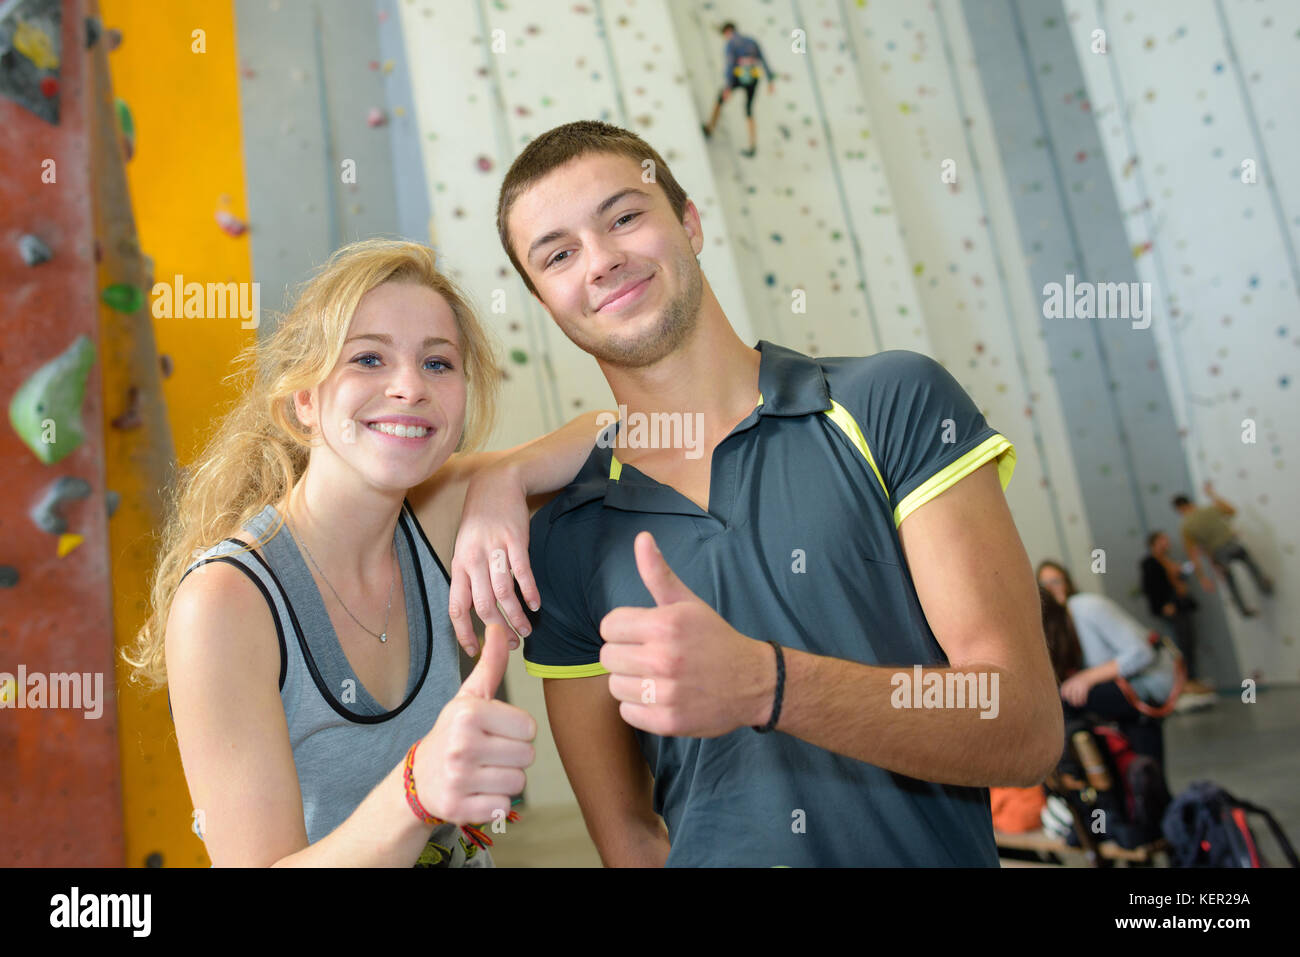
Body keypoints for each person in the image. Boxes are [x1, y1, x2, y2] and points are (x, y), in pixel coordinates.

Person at [494, 120, 1062, 866]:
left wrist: (768, 683)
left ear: (689, 222)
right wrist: (493, 476)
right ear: (545, 302)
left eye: (624, 216)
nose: (600, 261)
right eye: (559, 254)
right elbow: (629, 840)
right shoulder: (565, 535)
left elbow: (1020, 723)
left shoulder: (889, 403)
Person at [125, 239, 606, 867]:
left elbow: (617, 429)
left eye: (438, 363)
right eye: (369, 358)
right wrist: (417, 790)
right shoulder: (225, 602)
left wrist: (504, 479)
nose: (409, 386)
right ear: (304, 402)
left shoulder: (436, 516)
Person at [1036, 560, 1198, 763]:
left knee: (1065, 703)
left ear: (1067, 583)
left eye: (1056, 581)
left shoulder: (1086, 606)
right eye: (1044, 584)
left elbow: (1142, 653)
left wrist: (1086, 678)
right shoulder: (1061, 624)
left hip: (1150, 682)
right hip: (1128, 690)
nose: (1050, 589)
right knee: (1145, 770)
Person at [1173, 482, 1274, 618]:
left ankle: (1243, 609)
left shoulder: (1186, 527)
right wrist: (1211, 495)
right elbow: (1232, 511)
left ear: (1179, 509)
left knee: (1230, 581)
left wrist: (1203, 578)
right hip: (1232, 544)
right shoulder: (1209, 510)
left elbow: (1193, 555)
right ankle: (1263, 583)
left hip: (1218, 554)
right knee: (1247, 559)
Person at [1140, 530, 1213, 693]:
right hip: (1169, 607)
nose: (1167, 543)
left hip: (1181, 604)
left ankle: (1192, 679)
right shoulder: (1150, 563)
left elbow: (1180, 579)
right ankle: (1182, 682)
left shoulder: (1169, 561)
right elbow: (1150, 586)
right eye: (1162, 540)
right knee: (1178, 644)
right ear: (1154, 544)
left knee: (1188, 642)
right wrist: (1163, 604)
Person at [701, 21, 775, 157]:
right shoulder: (752, 41)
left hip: (738, 76)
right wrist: (770, 80)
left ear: (728, 31)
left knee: (720, 99)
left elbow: (730, 66)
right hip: (753, 76)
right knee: (748, 109)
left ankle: (710, 128)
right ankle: (752, 145)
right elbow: (763, 60)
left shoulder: (731, 44)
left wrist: (728, 87)